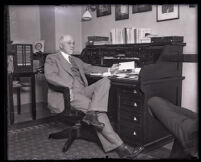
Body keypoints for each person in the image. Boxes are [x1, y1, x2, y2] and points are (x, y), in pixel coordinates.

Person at [44, 34, 144, 158]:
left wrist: (109, 69)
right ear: (61, 45)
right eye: (69, 43)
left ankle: (91, 113)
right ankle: (122, 148)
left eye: (73, 43)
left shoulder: (75, 60)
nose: (72, 45)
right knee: (98, 113)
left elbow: (90, 68)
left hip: (82, 91)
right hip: (68, 95)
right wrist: (67, 87)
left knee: (106, 81)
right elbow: (50, 76)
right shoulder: (52, 58)